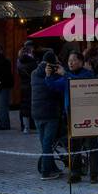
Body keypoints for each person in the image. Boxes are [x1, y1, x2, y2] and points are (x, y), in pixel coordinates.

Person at [58, 50, 98, 184]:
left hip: (88, 115)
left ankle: (94, 174)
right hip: (71, 115)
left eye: (74, 59)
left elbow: (80, 83)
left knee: (91, 145)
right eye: (69, 60)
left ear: (81, 62)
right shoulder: (67, 76)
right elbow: (53, 86)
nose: (70, 62)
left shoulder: (87, 75)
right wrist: (48, 76)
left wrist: (66, 75)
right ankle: (75, 173)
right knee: (74, 146)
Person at [32, 50, 65, 179]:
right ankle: (46, 172)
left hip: (36, 112)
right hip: (50, 113)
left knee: (45, 143)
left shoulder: (34, 73)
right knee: (48, 143)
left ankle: (53, 168)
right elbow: (58, 89)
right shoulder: (52, 76)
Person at [16, 43, 38, 133]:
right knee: (34, 105)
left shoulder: (19, 62)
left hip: (23, 86)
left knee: (24, 106)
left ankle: (25, 127)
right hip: (32, 85)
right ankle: (34, 126)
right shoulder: (33, 62)